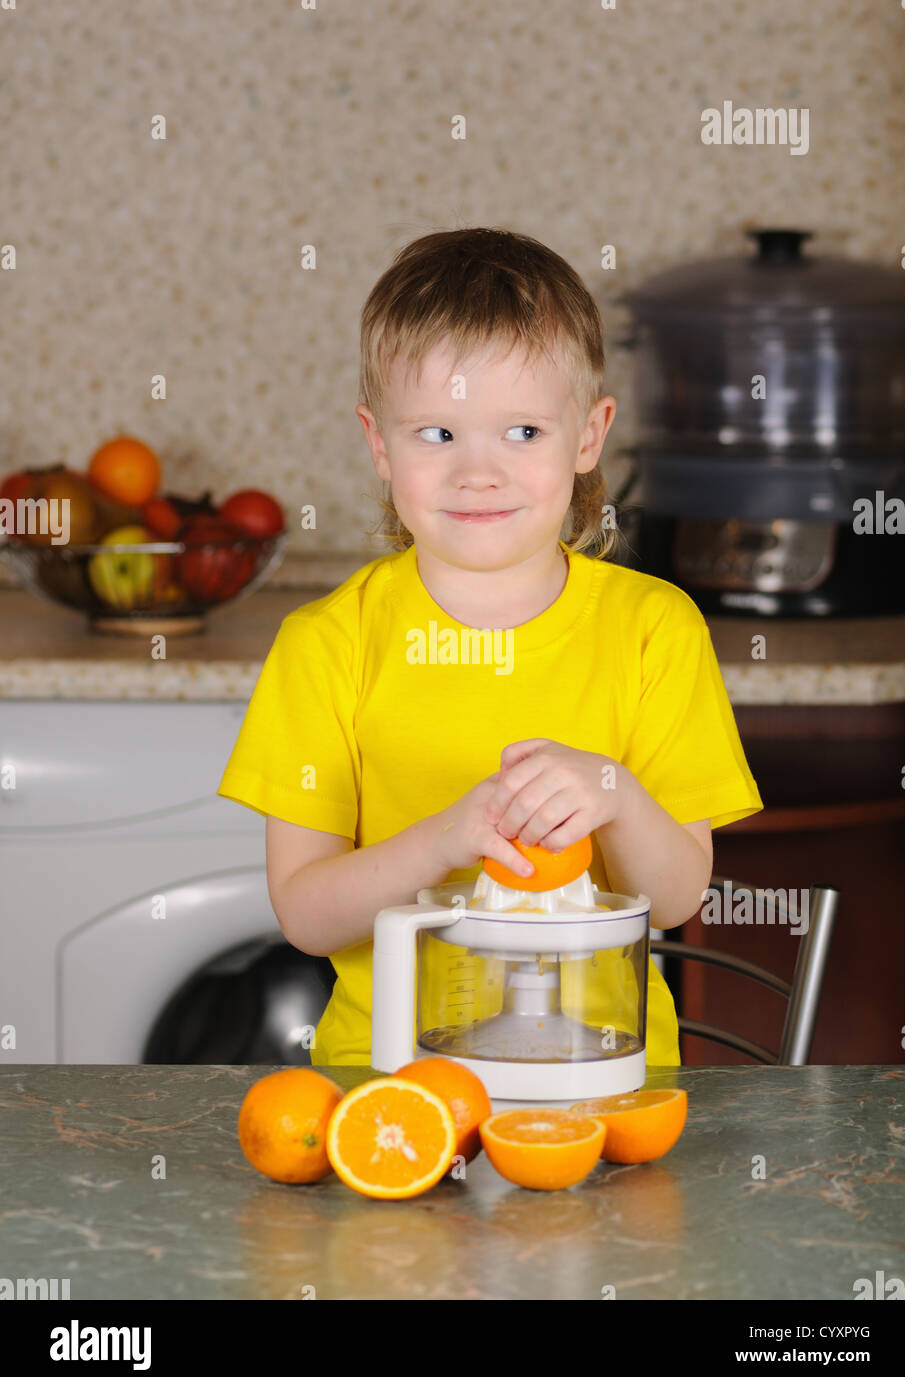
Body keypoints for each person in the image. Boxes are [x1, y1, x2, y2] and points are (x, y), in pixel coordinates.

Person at [217, 226, 763, 1068]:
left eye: (524, 433)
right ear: (378, 442)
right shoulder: (325, 645)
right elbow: (305, 911)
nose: (479, 472)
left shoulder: (656, 629)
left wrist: (615, 794)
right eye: (437, 435)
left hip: (604, 1080)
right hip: (391, 1088)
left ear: (589, 436)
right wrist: (445, 841)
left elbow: (676, 898)